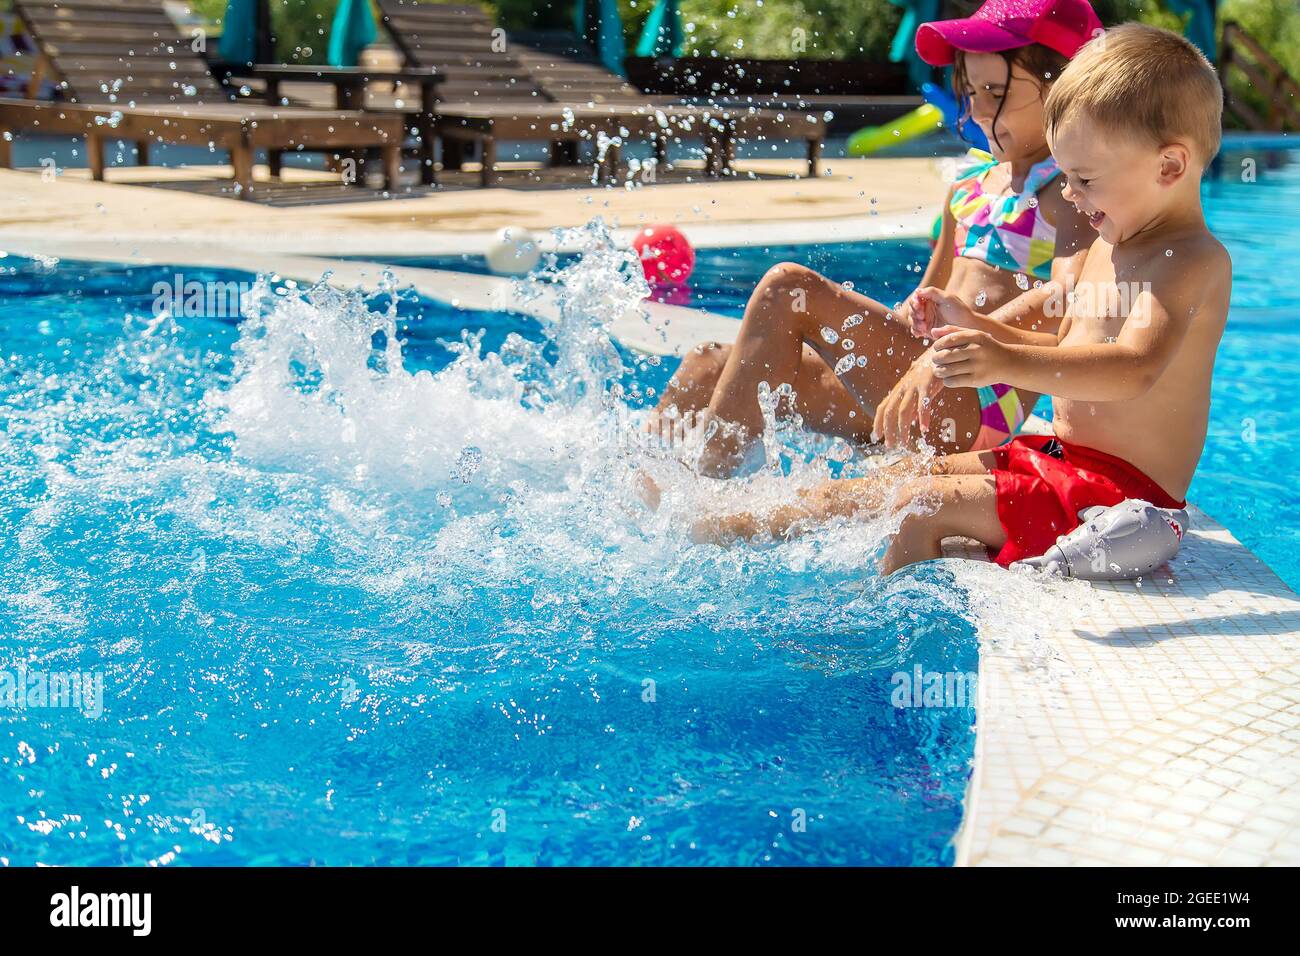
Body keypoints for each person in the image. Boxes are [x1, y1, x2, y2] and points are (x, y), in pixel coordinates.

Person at [692, 23, 1232, 577]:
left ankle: (875, 632)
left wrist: (1002, 360)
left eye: (1085, 180)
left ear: (1169, 166)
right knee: (886, 483)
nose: (1069, 195)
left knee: (917, 505)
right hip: (1061, 464)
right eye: (1066, 178)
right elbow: (1067, 343)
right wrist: (978, 326)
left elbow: (1132, 369)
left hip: (1121, 500)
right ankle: (715, 528)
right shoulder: (1110, 245)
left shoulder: (1190, 260)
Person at [648, 0, 1103, 477]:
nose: (980, 110)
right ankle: (645, 498)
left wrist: (965, 337)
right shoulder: (966, 191)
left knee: (790, 289)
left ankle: (701, 500)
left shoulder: (1066, 193)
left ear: (1062, 89)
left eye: (996, 92)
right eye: (971, 92)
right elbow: (920, 309)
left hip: (970, 407)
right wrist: (911, 320)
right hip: (913, 384)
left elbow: (1069, 312)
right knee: (707, 363)